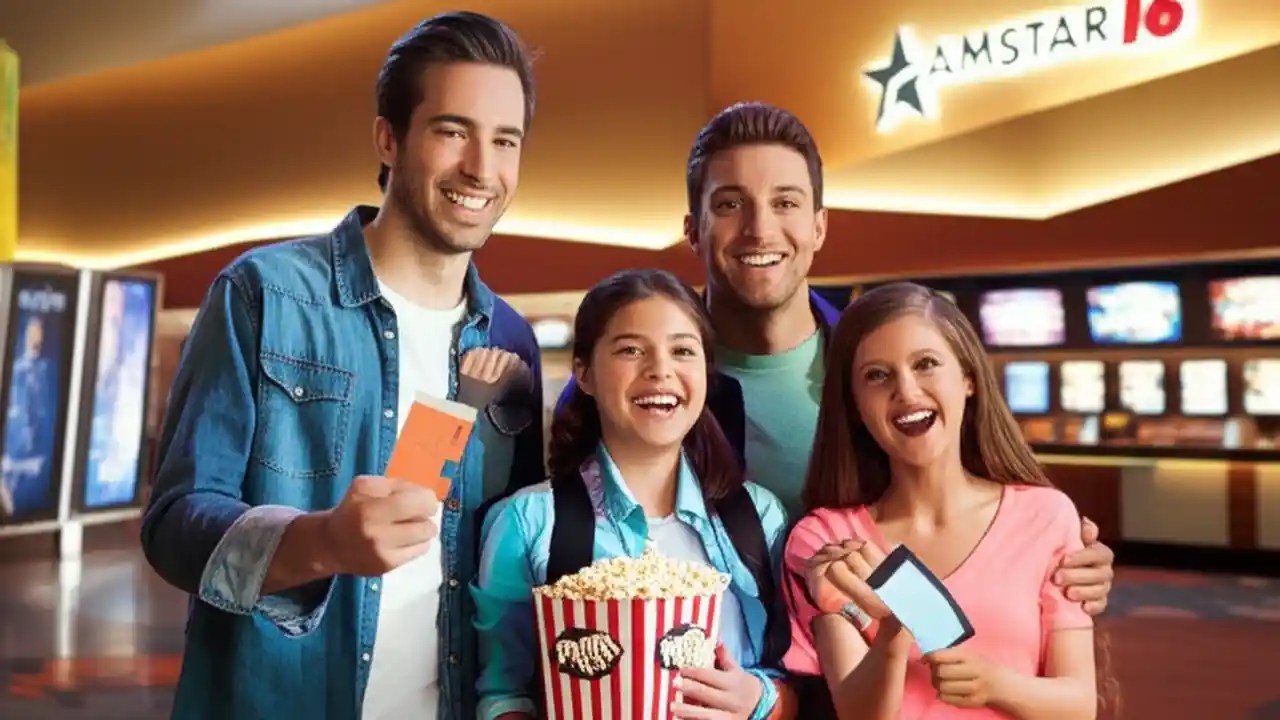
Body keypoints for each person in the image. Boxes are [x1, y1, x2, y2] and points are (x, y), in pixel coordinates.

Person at [140, 12, 544, 719]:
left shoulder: (511, 339)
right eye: (453, 131)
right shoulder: (264, 295)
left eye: (504, 140)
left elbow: (516, 552)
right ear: (389, 138)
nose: (482, 168)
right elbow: (173, 526)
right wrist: (319, 543)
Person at [559, 101, 1116, 613]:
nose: (760, 229)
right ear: (692, 230)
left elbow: (988, 508)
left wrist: (1066, 561)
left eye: (785, 203)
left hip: (875, 664)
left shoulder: (883, 365)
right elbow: (557, 547)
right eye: (730, 204)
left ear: (819, 226)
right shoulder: (627, 386)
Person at [473, 269, 795, 720]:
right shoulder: (530, 522)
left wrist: (762, 701)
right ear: (584, 372)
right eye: (631, 350)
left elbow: (797, 680)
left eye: (682, 350)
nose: (660, 370)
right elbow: (502, 692)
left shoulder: (757, 516)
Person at [782, 282, 1104, 719]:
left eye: (926, 364)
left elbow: (1079, 706)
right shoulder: (826, 539)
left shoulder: (1046, 515)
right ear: (854, 405)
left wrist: (996, 685)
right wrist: (893, 628)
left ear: (968, 378)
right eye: (877, 375)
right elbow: (859, 714)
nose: (907, 391)